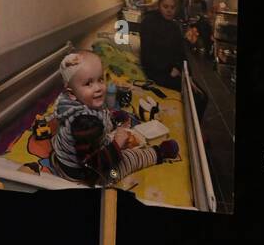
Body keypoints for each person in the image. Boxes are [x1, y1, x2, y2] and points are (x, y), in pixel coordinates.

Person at [51, 49, 179, 187]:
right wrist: (117, 144)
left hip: (64, 159)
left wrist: (113, 119)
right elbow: (92, 166)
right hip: (84, 175)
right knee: (126, 162)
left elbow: (97, 118)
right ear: (71, 93)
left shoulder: (70, 102)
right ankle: (159, 152)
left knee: (107, 133)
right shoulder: (85, 123)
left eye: (100, 79)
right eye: (88, 83)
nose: (98, 88)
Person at [138, 0, 208, 121]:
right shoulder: (148, 23)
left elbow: (181, 52)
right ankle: (192, 125)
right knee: (198, 98)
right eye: (166, 6)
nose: (169, 11)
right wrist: (170, 69)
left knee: (203, 95)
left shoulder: (174, 26)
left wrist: (188, 76)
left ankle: (197, 125)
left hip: (174, 70)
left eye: (172, 7)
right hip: (157, 72)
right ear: (159, 6)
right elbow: (146, 56)